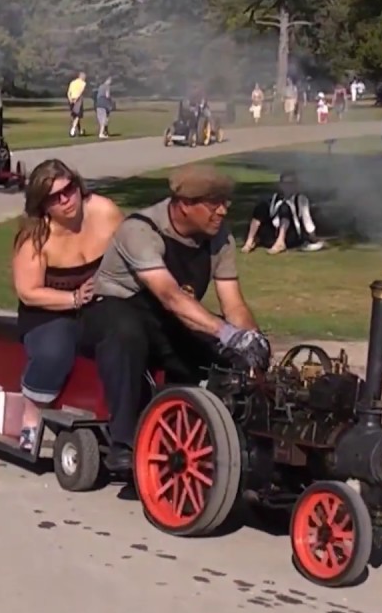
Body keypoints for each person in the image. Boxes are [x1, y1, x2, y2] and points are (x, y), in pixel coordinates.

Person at [80, 164, 271, 473]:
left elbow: (233, 302)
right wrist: (226, 332)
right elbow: (168, 294)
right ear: (184, 205)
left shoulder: (219, 238)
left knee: (223, 356)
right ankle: (123, 444)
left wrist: (251, 341)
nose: (223, 211)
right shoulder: (140, 230)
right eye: (214, 204)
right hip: (113, 310)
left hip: (168, 315)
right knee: (126, 332)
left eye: (226, 203)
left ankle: (228, 436)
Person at [11, 160, 125, 451]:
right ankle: (31, 413)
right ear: (42, 205)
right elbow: (28, 292)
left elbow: (130, 251)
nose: (66, 200)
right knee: (55, 351)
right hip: (46, 314)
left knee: (126, 335)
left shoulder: (104, 211)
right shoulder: (35, 237)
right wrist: (73, 298)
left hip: (98, 304)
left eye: (69, 189)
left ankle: (121, 416)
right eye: (54, 197)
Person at [241, 171, 325, 254]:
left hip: (291, 236)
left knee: (285, 208)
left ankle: (280, 243)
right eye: (285, 183)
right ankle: (250, 241)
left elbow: (307, 220)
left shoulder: (300, 199)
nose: (287, 187)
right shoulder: (275, 198)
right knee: (262, 206)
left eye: (290, 183)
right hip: (273, 233)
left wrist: (313, 237)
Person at [67, 71, 87, 137]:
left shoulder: (72, 82)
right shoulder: (83, 83)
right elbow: (80, 92)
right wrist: (76, 99)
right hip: (78, 99)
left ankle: (80, 130)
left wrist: (70, 99)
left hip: (71, 99)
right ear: (82, 76)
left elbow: (69, 92)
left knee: (75, 116)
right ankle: (72, 130)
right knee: (78, 115)